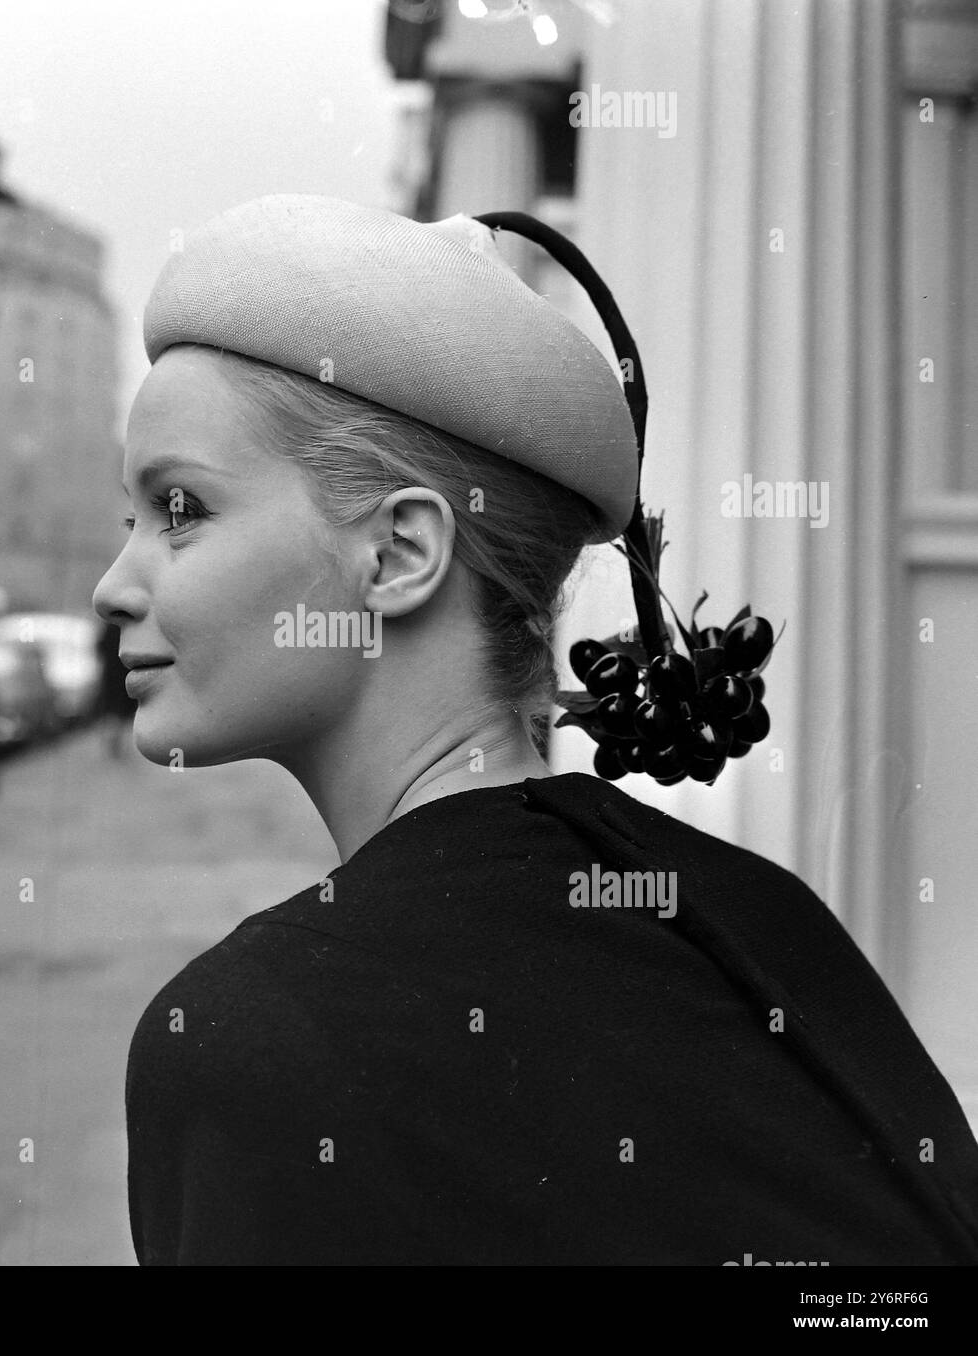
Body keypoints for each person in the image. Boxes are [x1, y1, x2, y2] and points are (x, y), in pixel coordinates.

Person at [93, 194, 978, 1265]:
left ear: (398, 554)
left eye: (180, 509)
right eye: (131, 519)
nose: (112, 584)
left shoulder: (255, 1045)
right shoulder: (763, 917)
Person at [95, 617, 135, 759]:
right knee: (119, 713)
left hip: (110, 677)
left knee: (112, 712)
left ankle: (113, 744)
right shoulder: (125, 628)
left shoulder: (109, 627)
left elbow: (99, 647)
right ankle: (116, 744)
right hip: (122, 675)